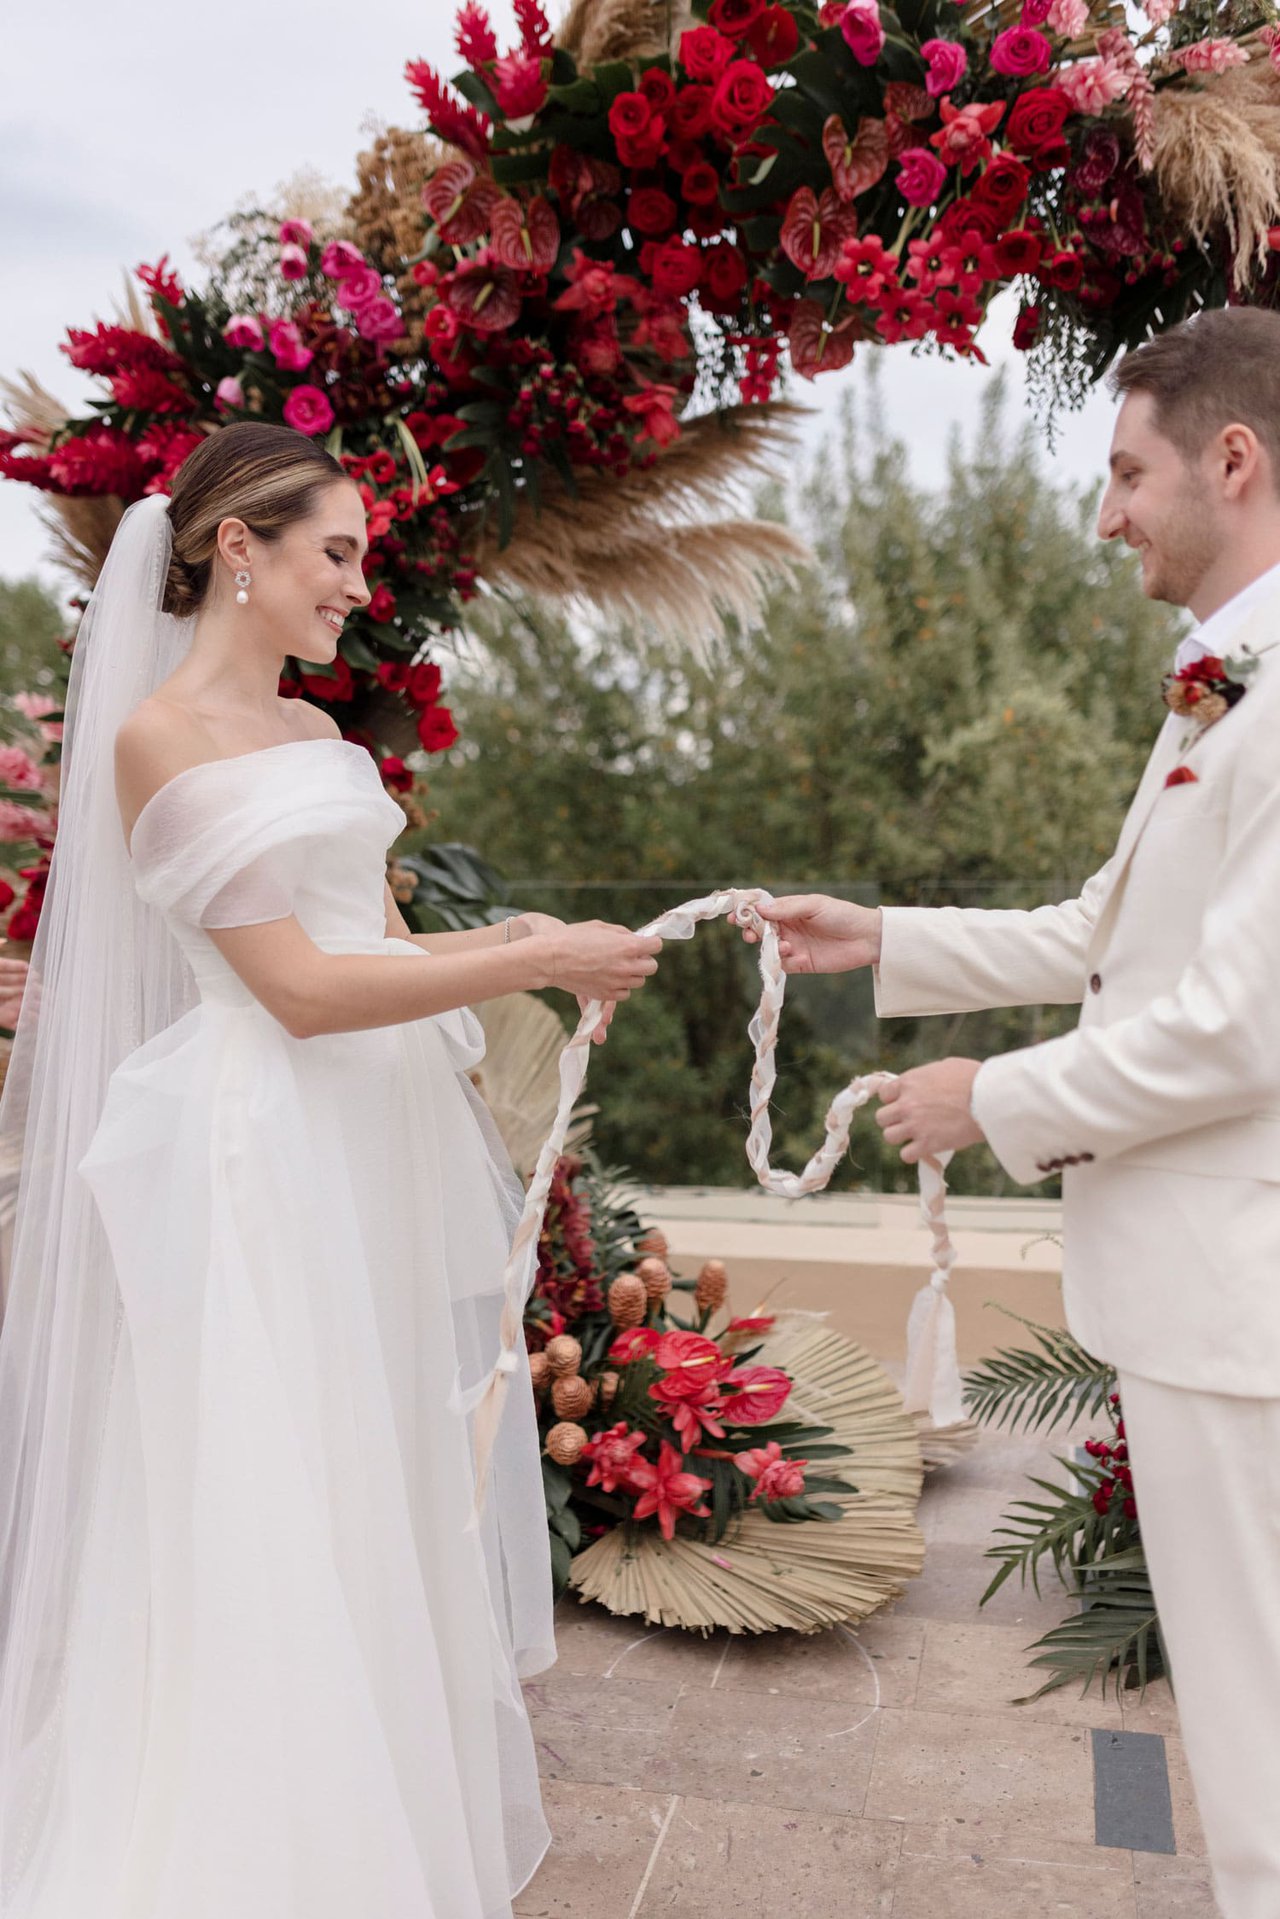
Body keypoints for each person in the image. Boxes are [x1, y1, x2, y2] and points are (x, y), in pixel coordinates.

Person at [0, 422, 661, 1917]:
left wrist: (525, 948)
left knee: (372, 1468)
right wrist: (533, 959)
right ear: (239, 548)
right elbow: (295, 988)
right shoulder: (157, 739)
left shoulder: (320, 740)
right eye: (340, 553)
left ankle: (371, 1811)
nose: (362, 587)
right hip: (264, 1142)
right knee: (270, 1472)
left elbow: (380, 951)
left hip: (370, 1140)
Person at [751, 305, 1280, 1919]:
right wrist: (883, 939)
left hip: (1241, 1305)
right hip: (1207, 1299)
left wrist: (992, 1095)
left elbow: (1243, 1026)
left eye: (1126, 472)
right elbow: (1106, 935)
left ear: (1235, 461)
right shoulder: (1228, 686)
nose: (1106, 513)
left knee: (1260, 1732)